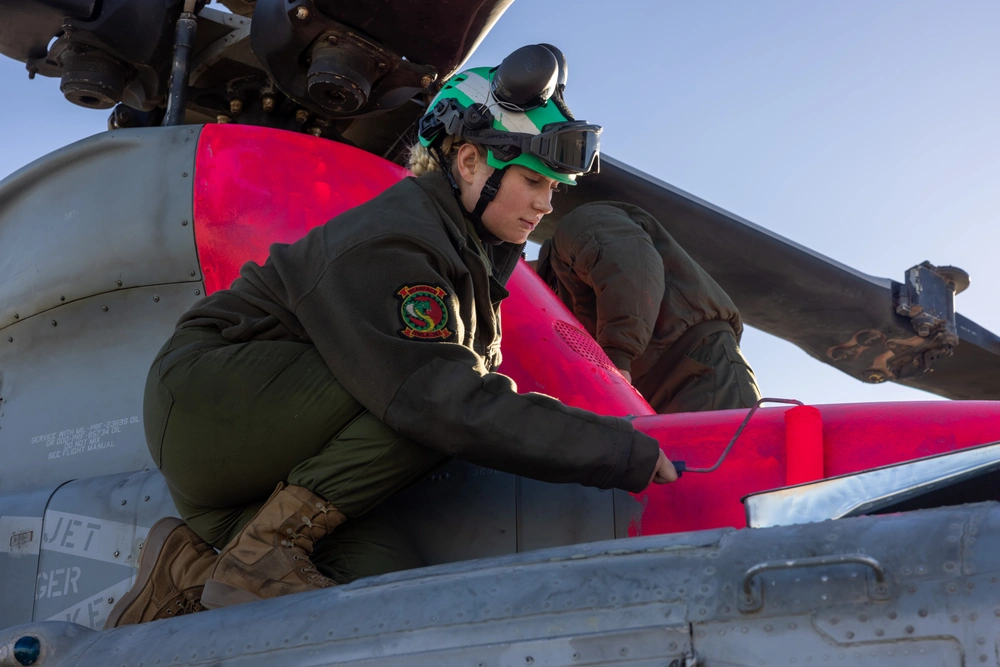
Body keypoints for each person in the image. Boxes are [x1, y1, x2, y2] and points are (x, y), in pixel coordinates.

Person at [104, 44, 677, 628]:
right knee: (434, 396)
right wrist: (618, 450)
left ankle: (191, 573)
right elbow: (439, 399)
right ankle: (262, 553)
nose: (545, 202)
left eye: (554, 187)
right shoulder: (399, 239)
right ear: (471, 162)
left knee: (382, 596)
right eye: (533, 180)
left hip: (259, 469)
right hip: (210, 405)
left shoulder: (469, 263)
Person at [535, 202, 761, 414]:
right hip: (654, 391)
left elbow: (630, 265)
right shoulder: (554, 299)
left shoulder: (579, 225)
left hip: (696, 371)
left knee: (716, 455)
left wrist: (617, 357)